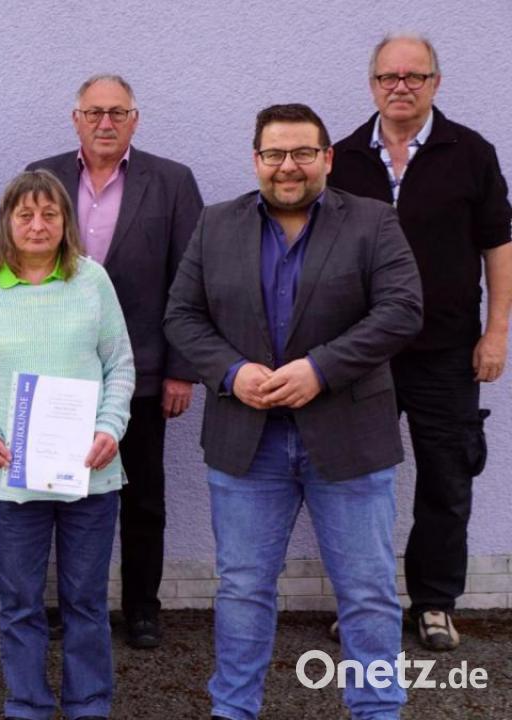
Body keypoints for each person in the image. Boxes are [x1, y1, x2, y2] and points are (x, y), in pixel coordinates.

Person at [164, 103, 423, 720]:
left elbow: (402, 309)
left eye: (303, 153)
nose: (289, 166)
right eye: (275, 154)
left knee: (366, 594)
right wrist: (232, 372)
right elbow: (182, 316)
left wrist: (320, 369)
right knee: (244, 591)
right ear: (256, 160)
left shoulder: (374, 222)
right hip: (246, 443)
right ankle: (233, 710)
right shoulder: (216, 224)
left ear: (327, 158)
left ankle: (378, 710)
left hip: (349, 439)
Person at [327, 33, 512, 651]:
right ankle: (363, 602)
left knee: (446, 477)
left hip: (446, 351)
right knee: (356, 484)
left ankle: (433, 603)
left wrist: (496, 333)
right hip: (360, 351)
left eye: (414, 76)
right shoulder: (343, 158)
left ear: (436, 82)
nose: (400, 86)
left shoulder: (471, 153)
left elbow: (498, 246)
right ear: (372, 83)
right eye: (388, 77)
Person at [26, 73, 203, 648]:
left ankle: (142, 607)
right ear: (75, 117)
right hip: (59, 366)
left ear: (135, 119)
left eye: (118, 113)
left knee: (142, 495)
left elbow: (190, 282)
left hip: (147, 370)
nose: (106, 123)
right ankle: (70, 604)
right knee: (59, 490)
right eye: (95, 112)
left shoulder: (172, 182)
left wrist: (181, 367)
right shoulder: (42, 175)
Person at [0, 170, 135, 720]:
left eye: (50, 215)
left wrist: (110, 427)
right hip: (12, 479)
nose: (37, 225)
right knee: (19, 604)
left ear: (66, 222)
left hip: (91, 472)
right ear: (7, 221)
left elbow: (120, 365)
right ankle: (28, 704)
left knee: (85, 601)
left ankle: (88, 704)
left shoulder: (92, 281)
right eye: (25, 215)